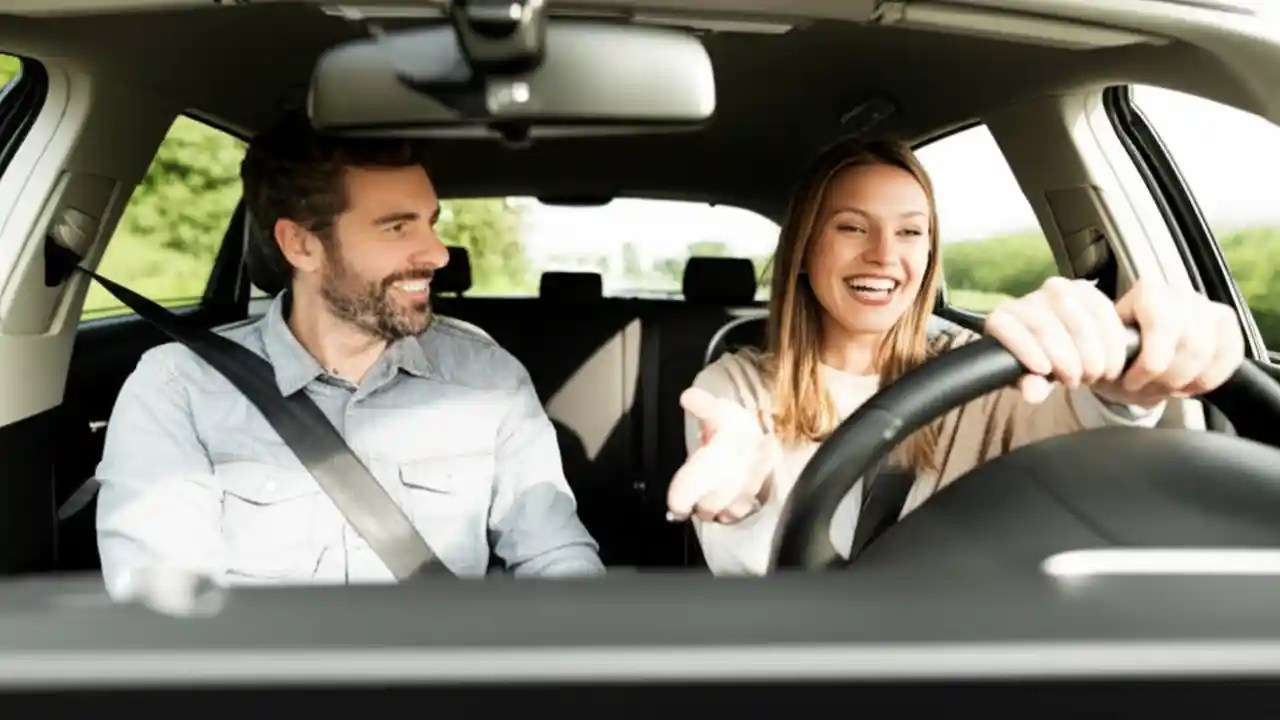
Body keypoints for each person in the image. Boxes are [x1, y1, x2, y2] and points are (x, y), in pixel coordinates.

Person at [667, 137, 1245, 576]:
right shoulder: (732, 388)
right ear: (802, 250)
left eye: (910, 233)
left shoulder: (978, 372)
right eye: (851, 227)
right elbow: (745, 552)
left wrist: (1126, 385)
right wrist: (747, 500)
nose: (883, 255)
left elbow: (1073, 424)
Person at [94, 113, 603, 597]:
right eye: (397, 228)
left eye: (431, 221)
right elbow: (166, 610)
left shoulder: (488, 378)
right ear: (301, 246)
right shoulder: (178, 390)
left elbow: (556, 558)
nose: (439, 253)